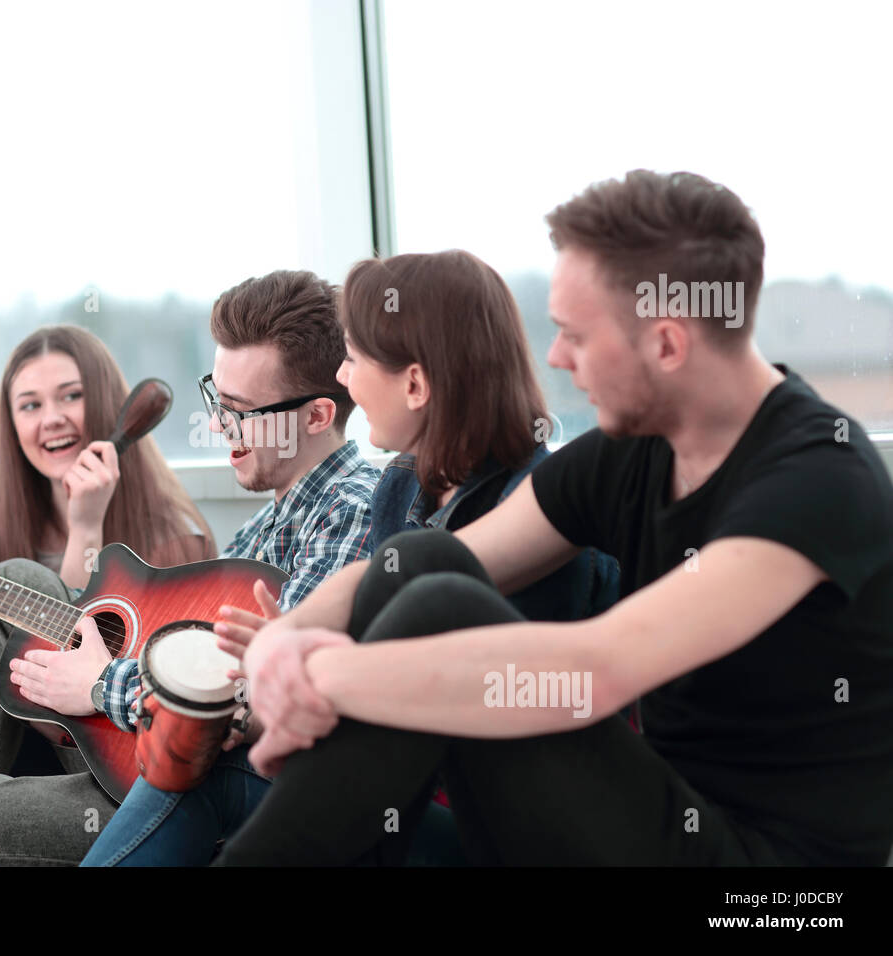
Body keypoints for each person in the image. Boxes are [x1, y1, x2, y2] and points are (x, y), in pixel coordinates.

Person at [209, 170, 893, 867]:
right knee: (424, 564)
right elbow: (404, 569)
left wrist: (317, 678)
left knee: (439, 600)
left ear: (666, 342)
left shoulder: (817, 479)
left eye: (574, 335)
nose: (557, 359)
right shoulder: (630, 456)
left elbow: (595, 669)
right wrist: (284, 639)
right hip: (643, 813)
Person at [82, 250, 619, 866]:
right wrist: (289, 655)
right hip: (400, 787)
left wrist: (301, 681)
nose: (343, 379)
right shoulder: (402, 488)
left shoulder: (530, 505)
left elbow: (449, 690)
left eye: (355, 359)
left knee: (208, 773)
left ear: (415, 385)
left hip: (491, 824)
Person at [0, 272, 379, 864]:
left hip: (192, 794)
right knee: (16, 578)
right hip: (134, 750)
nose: (217, 426)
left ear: (317, 416)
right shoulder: (260, 529)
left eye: (240, 411)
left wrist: (95, 684)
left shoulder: (353, 510)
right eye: (217, 400)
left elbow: (248, 703)